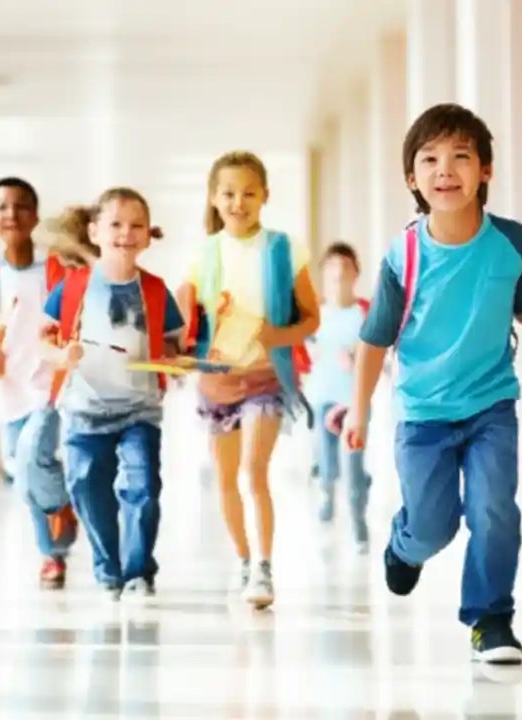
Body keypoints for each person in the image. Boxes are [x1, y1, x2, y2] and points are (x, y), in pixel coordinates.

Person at [343, 103, 522, 665]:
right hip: (422, 414)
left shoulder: (511, 242)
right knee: (434, 526)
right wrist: (360, 411)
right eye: (430, 158)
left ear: (485, 170)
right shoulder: (404, 253)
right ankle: (405, 544)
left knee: (494, 510)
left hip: (491, 403)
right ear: (411, 179)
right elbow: (373, 342)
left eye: (461, 156)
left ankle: (490, 619)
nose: (446, 169)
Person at [179, 151, 320, 609]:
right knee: (225, 479)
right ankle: (242, 559)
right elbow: (183, 326)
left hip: (265, 379)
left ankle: (263, 567)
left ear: (265, 197)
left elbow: (311, 319)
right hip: (217, 382)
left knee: (252, 472)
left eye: (248, 193)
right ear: (214, 198)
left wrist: (277, 334)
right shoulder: (202, 255)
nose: (238, 202)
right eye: (228, 194)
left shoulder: (284, 249)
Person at [41, 188, 184, 601]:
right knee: (88, 489)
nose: (126, 233)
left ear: (147, 235)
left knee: (142, 488)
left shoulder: (156, 290)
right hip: (83, 412)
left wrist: (172, 359)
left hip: (140, 412)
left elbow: (174, 344)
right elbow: (41, 340)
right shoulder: (73, 288)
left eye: (136, 225)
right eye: (116, 224)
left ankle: (139, 571)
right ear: (95, 231)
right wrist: (59, 354)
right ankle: (108, 569)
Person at [0, 177, 80, 590]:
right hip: (9, 394)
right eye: (2, 206)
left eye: (22, 206)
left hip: (52, 388)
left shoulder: (58, 270)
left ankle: (52, 553)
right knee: (22, 470)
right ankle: (61, 512)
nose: (12, 214)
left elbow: (80, 316)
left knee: (30, 458)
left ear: (35, 216)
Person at [304, 242, 372, 553]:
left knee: (353, 467)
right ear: (324, 274)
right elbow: (301, 352)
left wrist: (358, 357)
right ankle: (325, 498)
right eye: (332, 266)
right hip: (322, 398)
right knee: (328, 466)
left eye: (346, 265)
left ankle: (359, 525)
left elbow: (378, 353)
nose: (339, 272)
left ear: (355, 272)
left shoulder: (365, 312)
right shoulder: (314, 314)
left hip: (353, 402)